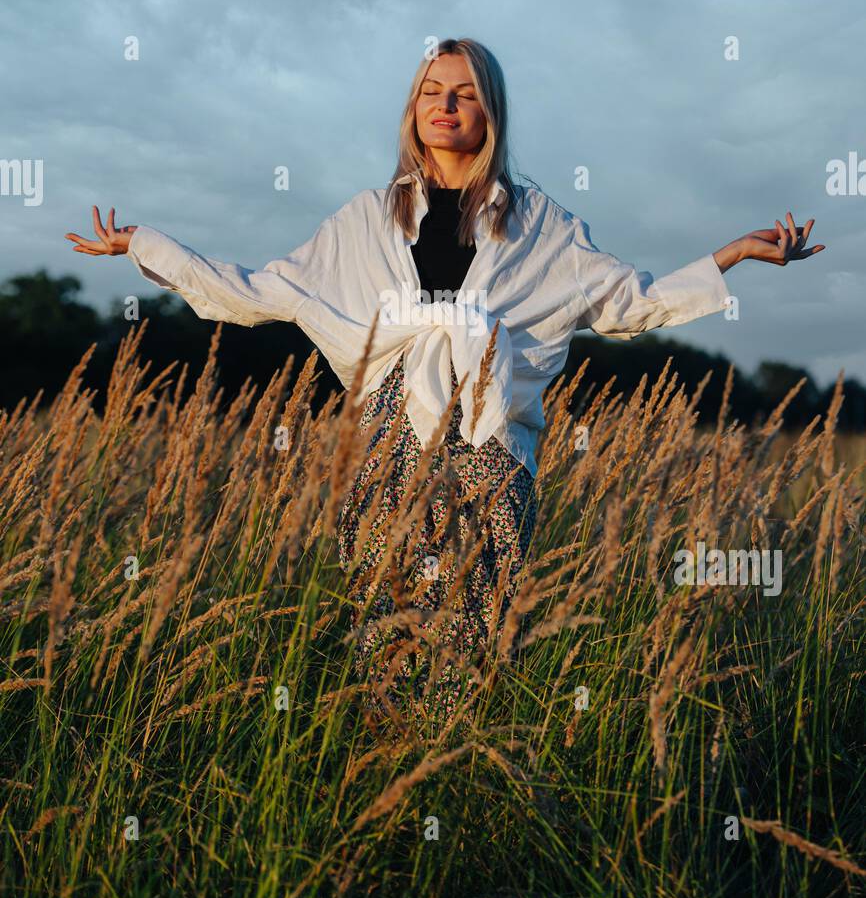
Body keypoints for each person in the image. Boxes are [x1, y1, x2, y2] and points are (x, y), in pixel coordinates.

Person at [64, 37, 825, 720]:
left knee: (476, 627)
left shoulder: (537, 223)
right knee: (386, 623)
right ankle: (390, 777)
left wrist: (728, 257)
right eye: (432, 90)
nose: (446, 105)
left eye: (463, 92)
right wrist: (148, 246)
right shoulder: (366, 219)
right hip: (386, 442)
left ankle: (458, 774)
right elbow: (267, 291)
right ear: (413, 108)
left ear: (489, 109)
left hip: (492, 444)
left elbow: (624, 301)